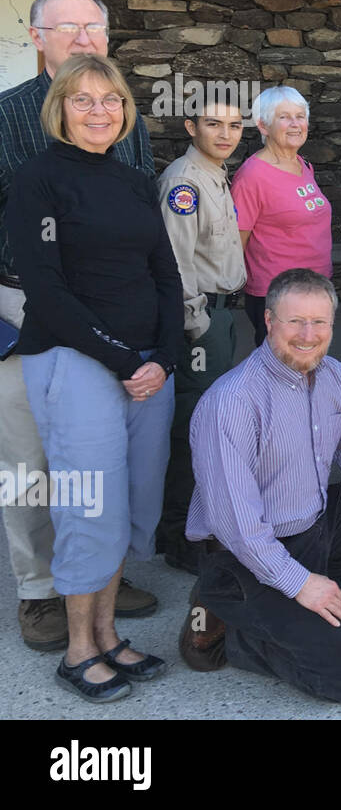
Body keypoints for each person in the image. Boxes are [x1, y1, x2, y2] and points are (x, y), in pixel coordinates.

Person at [7, 54, 183, 702]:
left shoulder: (136, 181)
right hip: (76, 360)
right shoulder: (38, 180)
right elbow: (45, 290)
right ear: (60, 108)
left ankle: (108, 633)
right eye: (83, 100)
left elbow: (165, 274)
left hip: (145, 366)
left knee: (132, 500)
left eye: (110, 99)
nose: (99, 111)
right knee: (89, 506)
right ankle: (78, 649)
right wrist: (125, 359)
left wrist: (163, 356)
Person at [180, 268, 341, 702]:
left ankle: (321, 619)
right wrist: (299, 583)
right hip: (246, 555)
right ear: (269, 321)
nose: (308, 334)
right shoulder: (233, 402)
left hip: (312, 527)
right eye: (295, 321)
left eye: (320, 322)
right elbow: (241, 529)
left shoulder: (333, 376)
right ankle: (237, 628)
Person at [0, 0, 158, 651]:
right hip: (25, 305)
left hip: (117, 305)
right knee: (31, 457)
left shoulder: (126, 116)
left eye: (96, 27)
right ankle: (40, 589)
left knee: (107, 450)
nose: (87, 39)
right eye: (71, 28)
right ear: (37, 37)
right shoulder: (8, 115)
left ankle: (99, 579)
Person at [155, 99, 247, 576]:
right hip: (203, 319)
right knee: (195, 426)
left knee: (209, 422)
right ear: (191, 126)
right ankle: (177, 535)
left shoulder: (215, 173)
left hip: (222, 313)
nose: (226, 133)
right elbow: (175, 261)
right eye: (213, 123)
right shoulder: (184, 182)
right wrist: (198, 323)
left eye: (234, 125)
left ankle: (194, 524)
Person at [231, 86, 332, 346]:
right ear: (263, 125)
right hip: (277, 297)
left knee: (312, 365)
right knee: (282, 370)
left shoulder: (303, 164)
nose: (295, 124)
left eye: (300, 116)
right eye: (284, 117)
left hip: (316, 290)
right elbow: (236, 243)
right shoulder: (252, 175)